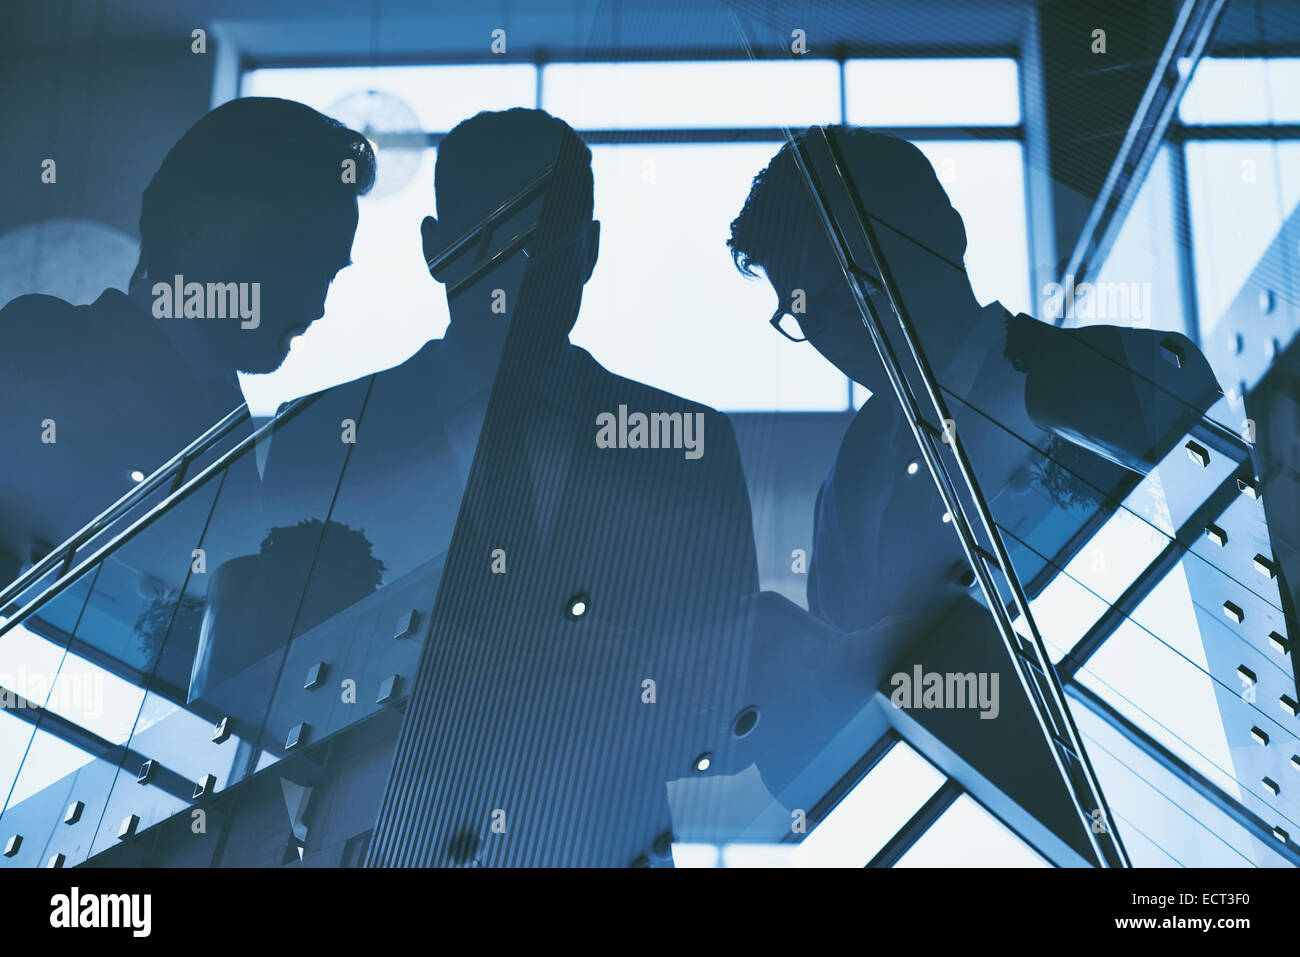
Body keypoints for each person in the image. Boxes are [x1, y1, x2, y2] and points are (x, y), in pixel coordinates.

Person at [259, 108, 761, 867]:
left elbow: (732, 699)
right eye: (503, 233)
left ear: (589, 250)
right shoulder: (318, 438)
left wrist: (631, 681)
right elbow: (263, 692)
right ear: (434, 250)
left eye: (549, 236)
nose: (528, 263)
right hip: (386, 840)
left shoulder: (686, 446)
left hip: (591, 838)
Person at [727, 126, 1223, 637]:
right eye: (801, 307)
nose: (832, 324)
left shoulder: (1115, 373)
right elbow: (838, 693)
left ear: (942, 232)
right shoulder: (844, 485)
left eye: (846, 280)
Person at [0, 97, 376, 585]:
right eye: (304, 263)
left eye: (329, 274)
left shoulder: (235, 433)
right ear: (206, 229)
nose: (317, 304)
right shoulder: (44, 344)